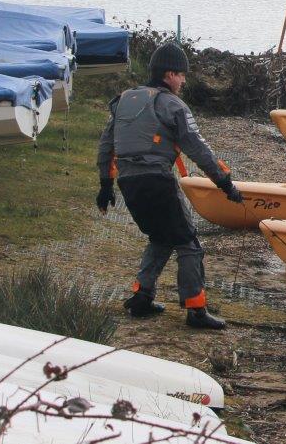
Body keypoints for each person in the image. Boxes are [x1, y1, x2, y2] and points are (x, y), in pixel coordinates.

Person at [96, 41, 243, 330]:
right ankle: (196, 310)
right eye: (182, 74)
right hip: (157, 180)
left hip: (129, 183)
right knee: (189, 242)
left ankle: (142, 297)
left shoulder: (124, 99)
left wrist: (105, 184)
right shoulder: (173, 105)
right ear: (169, 75)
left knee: (161, 236)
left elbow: (105, 146)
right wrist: (225, 184)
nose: (184, 80)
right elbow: (198, 149)